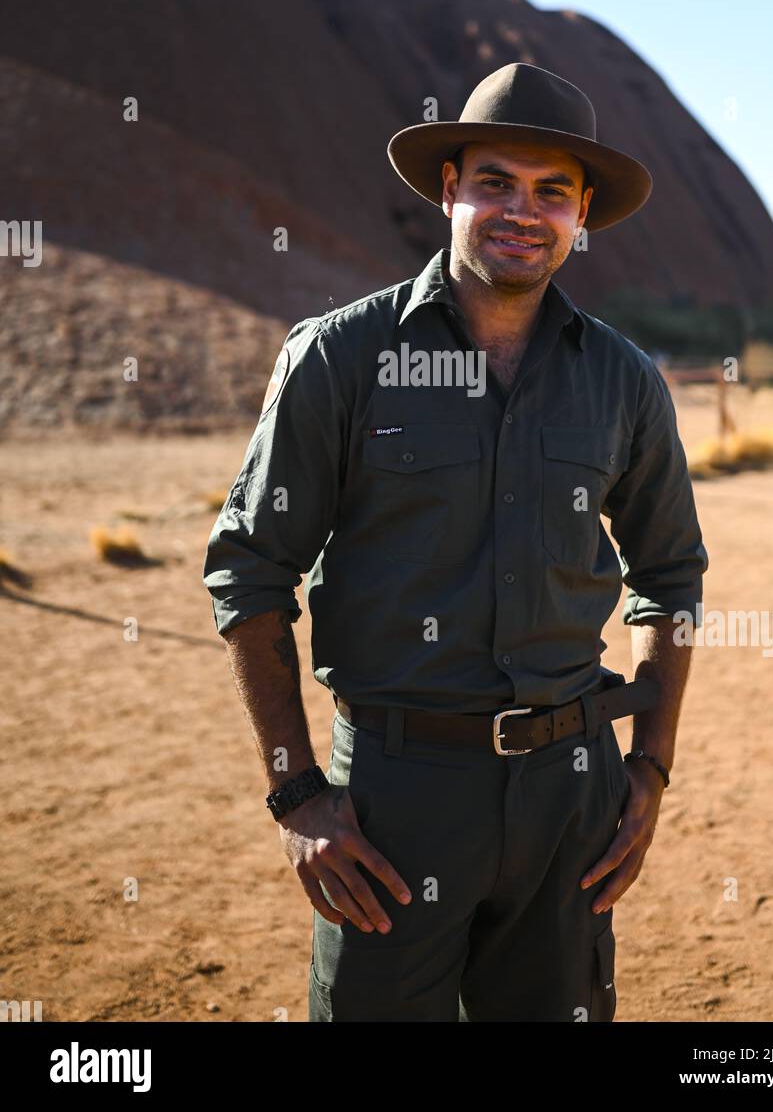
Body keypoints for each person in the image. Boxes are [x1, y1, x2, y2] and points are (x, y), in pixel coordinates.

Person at [202, 61, 709, 1022]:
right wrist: (298, 795)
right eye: (495, 183)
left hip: (571, 795)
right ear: (449, 189)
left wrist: (648, 768)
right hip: (395, 805)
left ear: (583, 211)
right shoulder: (341, 357)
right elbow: (249, 567)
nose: (523, 211)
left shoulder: (622, 380)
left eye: (553, 191)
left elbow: (671, 570)